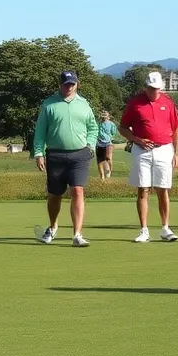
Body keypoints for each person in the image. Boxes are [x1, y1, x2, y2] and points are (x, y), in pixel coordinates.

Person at [32, 71, 98, 247]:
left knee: (78, 190)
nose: (69, 87)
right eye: (66, 84)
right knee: (55, 195)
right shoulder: (49, 104)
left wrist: (90, 145)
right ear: (59, 85)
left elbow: (93, 128)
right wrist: (39, 153)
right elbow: (40, 132)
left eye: (72, 84)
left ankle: (77, 234)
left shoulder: (84, 104)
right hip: (55, 154)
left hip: (80, 155)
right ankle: (53, 226)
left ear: (77, 84)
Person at [119, 71, 178, 243]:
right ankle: (144, 230)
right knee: (143, 189)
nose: (155, 92)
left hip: (164, 149)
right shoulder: (135, 103)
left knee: (163, 189)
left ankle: (165, 228)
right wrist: (136, 139)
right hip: (142, 150)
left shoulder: (168, 103)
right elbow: (123, 127)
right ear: (146, 87)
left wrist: (176, 153)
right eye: (152, 89)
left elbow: (176, 128)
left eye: (157, 89)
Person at [96, 111, 118, 180]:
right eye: (103, 115)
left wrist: (110, 138)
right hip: (99, 143)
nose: (104, 116)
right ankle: (102, 176)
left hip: (108, 143)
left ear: (108, 116)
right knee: (99, 160)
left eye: (105, 115)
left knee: (108, 158)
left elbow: (113, 132)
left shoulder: (111, 124)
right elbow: (95, 131)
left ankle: (109, 172)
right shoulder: (98, 124)